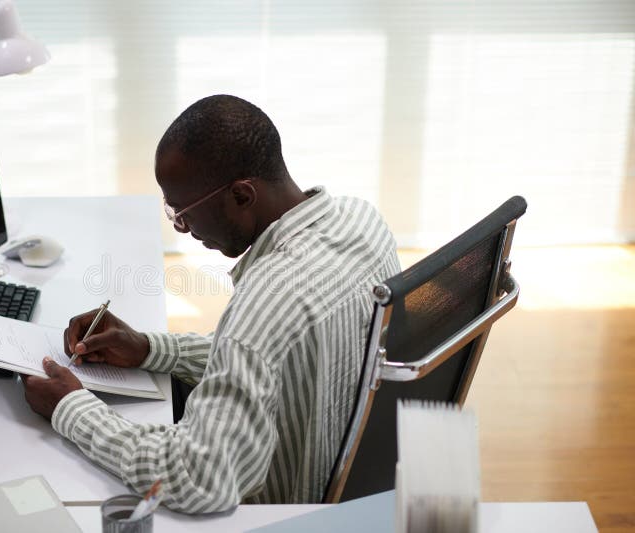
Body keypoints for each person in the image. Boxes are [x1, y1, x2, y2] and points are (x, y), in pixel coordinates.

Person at [21, 95, 401, 514]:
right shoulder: (364, 222)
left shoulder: (264, 304)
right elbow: (271, 357)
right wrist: (149, 348)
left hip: (280, 514)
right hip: (353, 486)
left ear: (241, 195)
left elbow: (197, 479)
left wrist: (72, 409)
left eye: (184, 212)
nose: (183, 228)